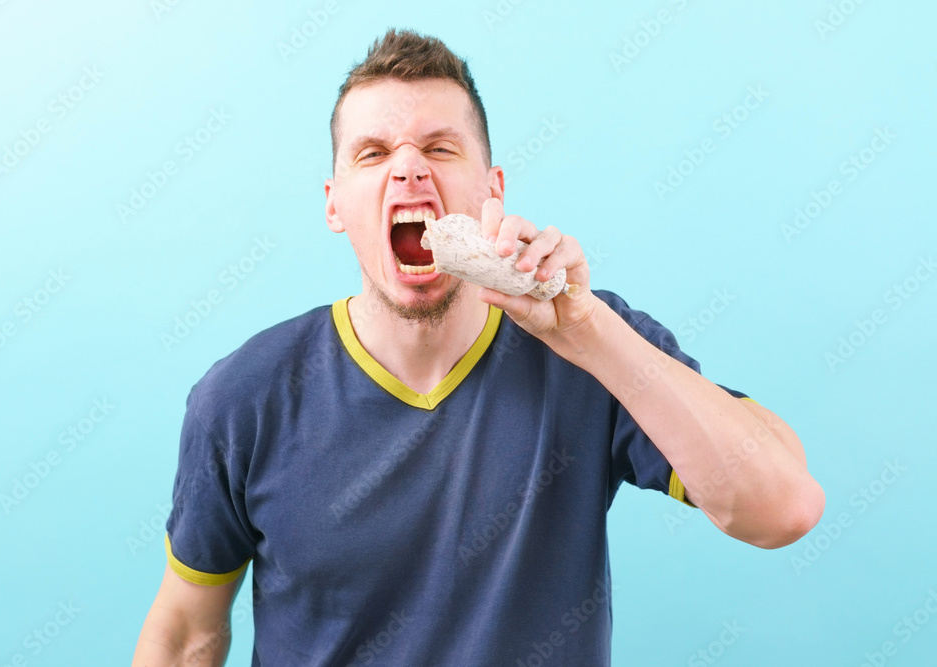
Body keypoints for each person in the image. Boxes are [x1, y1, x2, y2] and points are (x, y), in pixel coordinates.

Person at [133, 29, 824, 667]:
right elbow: (188, 630)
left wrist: (587, 331)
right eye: (373, 154)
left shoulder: (590, 345)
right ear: (334, 201)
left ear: (491, 189)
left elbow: (783, 506)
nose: (408, 171)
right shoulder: (244, 397)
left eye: (439, 148)